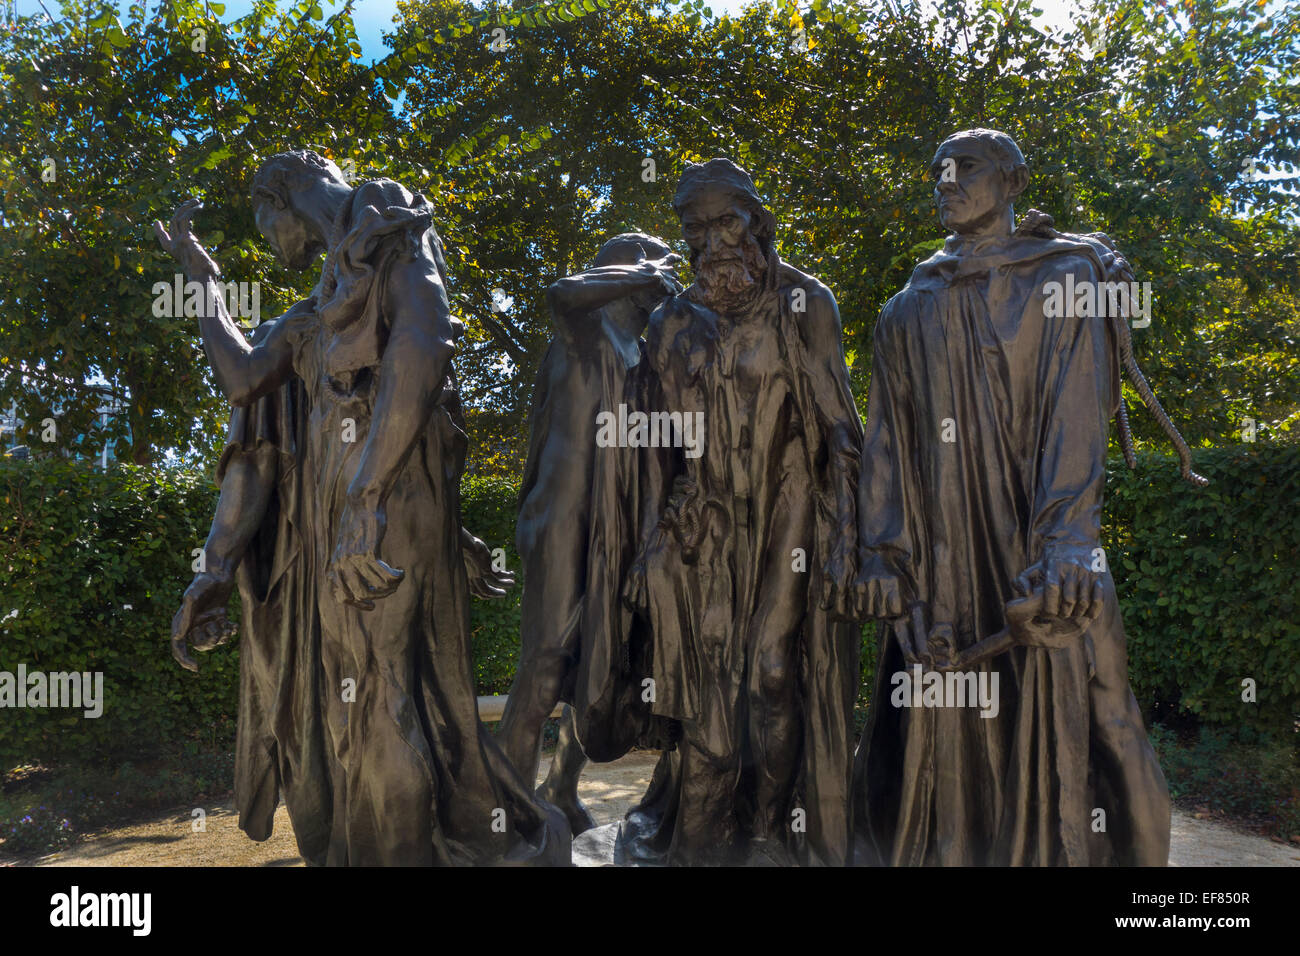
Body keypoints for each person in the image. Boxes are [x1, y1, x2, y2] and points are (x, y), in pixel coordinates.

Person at [156, 149, 569, 865]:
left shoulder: (380, 210)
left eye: (262, 224)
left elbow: (424, 342)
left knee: (376, 703)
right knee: (376, 702)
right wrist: (204, 285)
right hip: (354, 504)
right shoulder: (323, 288)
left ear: (276, 198)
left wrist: (371, 498)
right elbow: (247, 380)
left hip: (366, 503)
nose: (269, 245)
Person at [851, 128, 1189, 866]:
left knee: (1102, 702)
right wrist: (881, 552)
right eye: (939, 170)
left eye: (964, 166)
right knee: (949, 713)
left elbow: (1078, 413)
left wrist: (1069, 537)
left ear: (1012, 182)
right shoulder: (906, 307)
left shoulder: (1063, 277)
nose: (945, 180)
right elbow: (886, 443)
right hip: (943, 556)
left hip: (1045, 545)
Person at [619, 159, 864, 866]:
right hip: (706, 526)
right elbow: (652, 450)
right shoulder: (670, 323)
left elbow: (841, 430)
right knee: (707, 689)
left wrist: (851, 542)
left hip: (790, 510)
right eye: (697, 228)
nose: (714, 241)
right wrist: (649, 542)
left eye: (728, 221)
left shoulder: (804, 302)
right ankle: (707, 829)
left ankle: (766, 828)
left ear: (758, 223)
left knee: (773, 672)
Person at [497, 232, 682, 835]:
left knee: (606, 666)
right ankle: (505, 810)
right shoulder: (584, 329)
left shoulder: (645, 352)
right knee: (547, 662)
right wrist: (644, 271)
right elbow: (563, 293)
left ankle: (561, 789)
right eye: (645, 272)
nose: (659, 283)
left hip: (620, 527)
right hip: (563, 522)